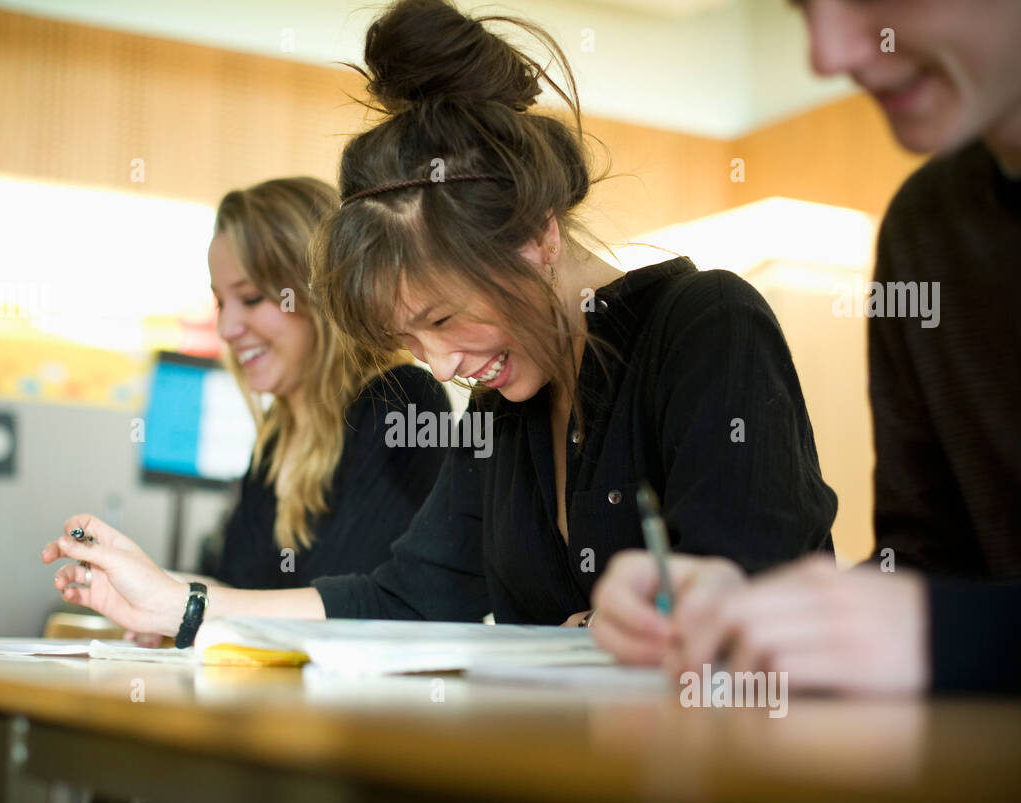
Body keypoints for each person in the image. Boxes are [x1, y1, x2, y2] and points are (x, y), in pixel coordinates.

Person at [41, 0, 836, 640]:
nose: (443, 367)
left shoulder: (705, 329)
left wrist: (629, 626)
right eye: (410, 343)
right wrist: (181, 605)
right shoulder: (504, 409)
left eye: (443, 318)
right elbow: (404, 598)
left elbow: (752, 607)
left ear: (536, 238)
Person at [591, 0, 1021, 695]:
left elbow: (944, 618)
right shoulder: (925, 229)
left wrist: (957, 634)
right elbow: (928, 560)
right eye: (802, 7)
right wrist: (749, 613)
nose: (828, 56)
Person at [114, 176, 451, 646]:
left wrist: (192, 605)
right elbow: (246, 590)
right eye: (220, 301)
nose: (227, 327)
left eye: (251, 298)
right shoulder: (277, 432)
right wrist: (160, 597)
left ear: (317, 292)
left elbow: (360, 608)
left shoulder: (404, 403)